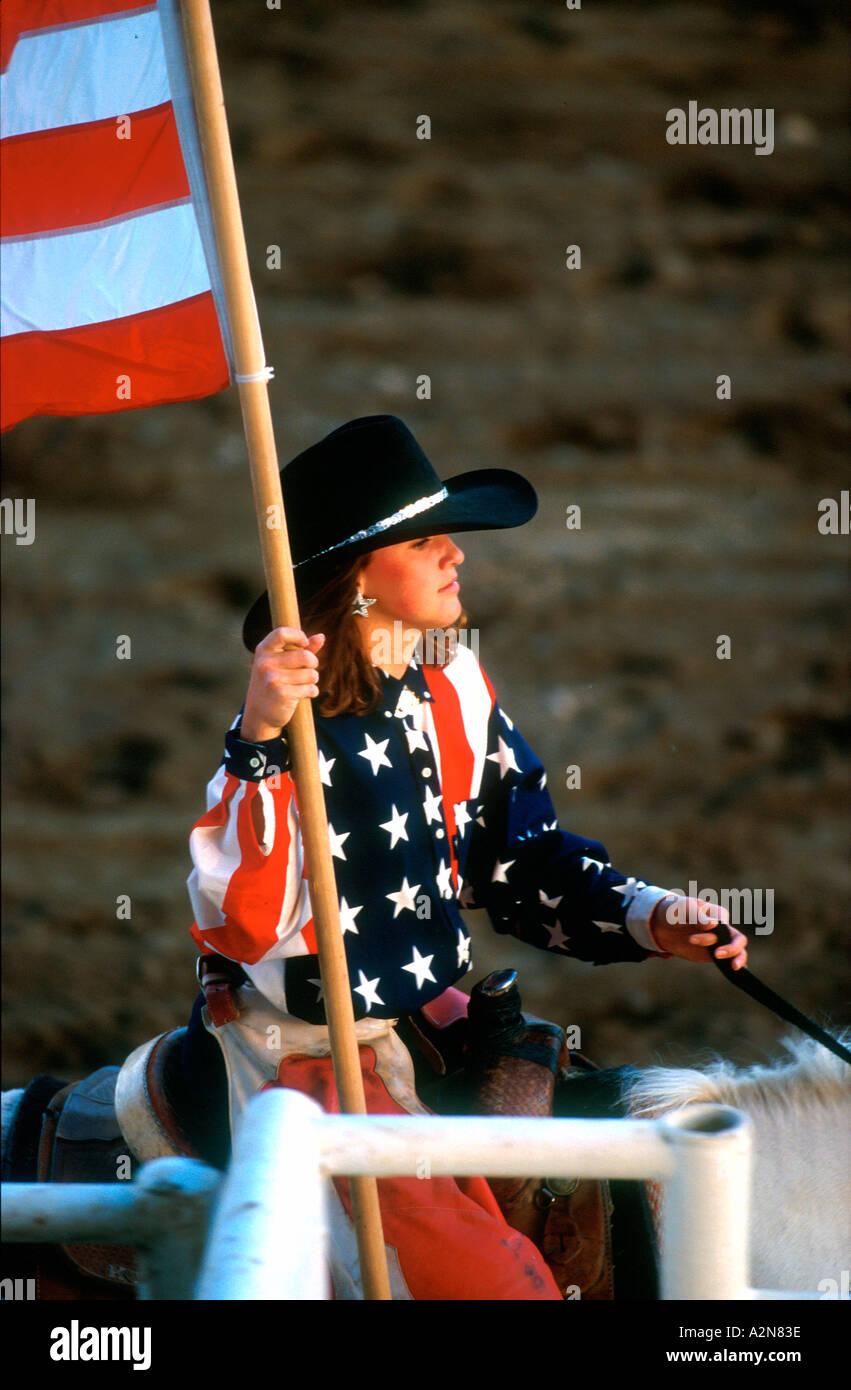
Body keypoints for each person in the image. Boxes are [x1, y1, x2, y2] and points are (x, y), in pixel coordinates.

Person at [183, 414, 748, 1300]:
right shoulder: (286, 726)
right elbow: (241, 918)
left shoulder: (454, 682)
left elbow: (515, 864)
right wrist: (255, 741)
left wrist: (649, 915)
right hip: (302, 1049)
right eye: (427, 539)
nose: (457, 556)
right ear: (358, 576)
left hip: (429, 1019)